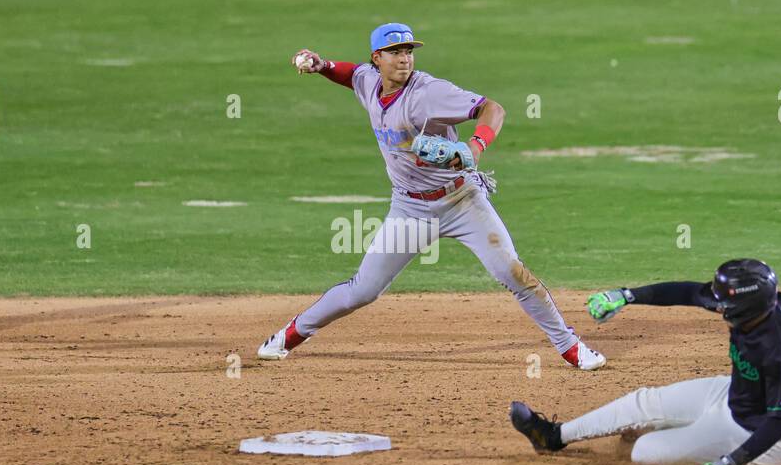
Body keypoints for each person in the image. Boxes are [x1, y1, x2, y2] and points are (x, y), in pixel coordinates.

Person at [257, 22, 604, 370]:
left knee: (513, 273)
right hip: (409, 209)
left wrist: (475, 145)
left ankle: (570, 346)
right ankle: (290, 335)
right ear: (377, 58)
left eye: (408, 51)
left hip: (462, 202)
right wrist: (324, 67)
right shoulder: (369, 81)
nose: (404, 58)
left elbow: (492, 109)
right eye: (395, 52)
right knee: (363, 290)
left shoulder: (429, 92)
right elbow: (352, 75)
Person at [510, 259, 781, 465]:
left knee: (643, 451)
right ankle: (551, 436)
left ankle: (680, 436)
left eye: (726, 306)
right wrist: (627, 296)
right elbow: (689, 293)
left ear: (747, 308)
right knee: (643, 401)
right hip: (733, 394)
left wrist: (732, 460)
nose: (719, 309)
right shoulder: (761, 304)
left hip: (757, 435)